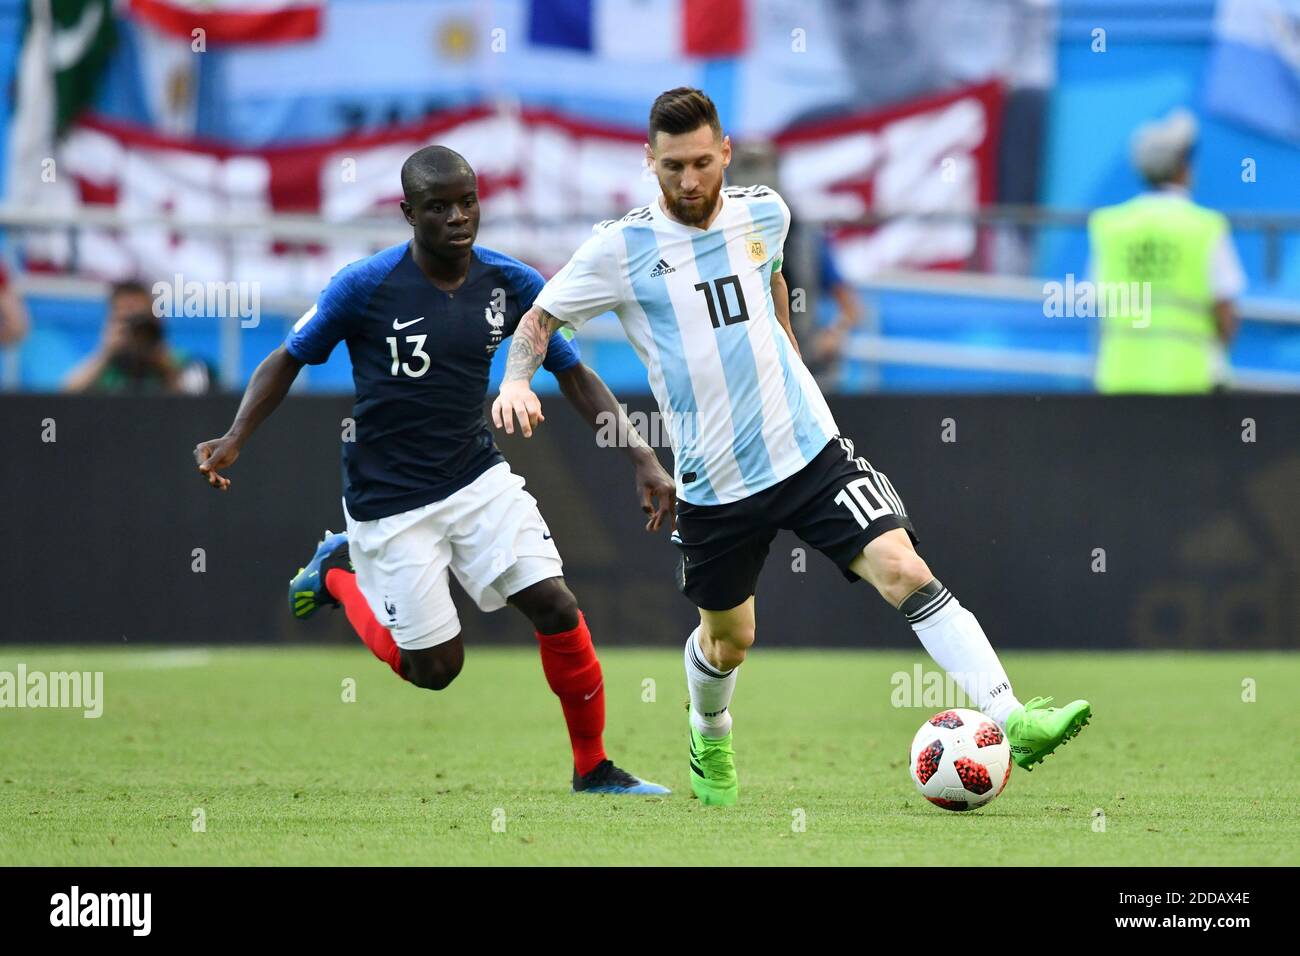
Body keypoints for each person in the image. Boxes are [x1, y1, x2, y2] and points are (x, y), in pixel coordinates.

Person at [494, 87, 1091, 806]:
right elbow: (539, 319)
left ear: (724, 152)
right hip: (715, 484)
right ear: (648, 161)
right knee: (729, 640)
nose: (689, 182)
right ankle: (708, 736)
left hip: (809, 450)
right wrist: (517, 381)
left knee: (903, 568)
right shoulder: (619, 248)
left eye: (701, 164)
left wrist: (791, 358)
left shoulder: (764, 212)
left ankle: (1011, 718)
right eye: (672, 167)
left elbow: (773, 279)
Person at [194, 146, 674, 795]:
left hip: (476, 477)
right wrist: (235, 435)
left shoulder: (512, 284)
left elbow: (574, 374)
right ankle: (337, 573)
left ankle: (593, 767)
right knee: (436, 671)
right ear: (407, 213)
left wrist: (642, 458)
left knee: (557, 605)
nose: (457, 217)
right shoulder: (363, 287)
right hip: (389, 500)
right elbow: (287, 359)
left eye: (467, 201)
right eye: (439, 206)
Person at [1089, 108, 1246, 393]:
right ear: (1183, 168)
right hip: (1189, 381)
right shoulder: (1205, 227)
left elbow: (1100, 305)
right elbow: (1226, 309)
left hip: (1120, 379)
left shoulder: (1110, 226)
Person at [63, 280, 213, 393]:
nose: (135, 331)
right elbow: (65, 399)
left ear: (157, 320)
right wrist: (106, 353)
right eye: (126, 320)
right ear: (111, 322)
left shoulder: (182, 361)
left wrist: (165, 366)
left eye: (141, 319)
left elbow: (198, 404)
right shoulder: (106, 369)